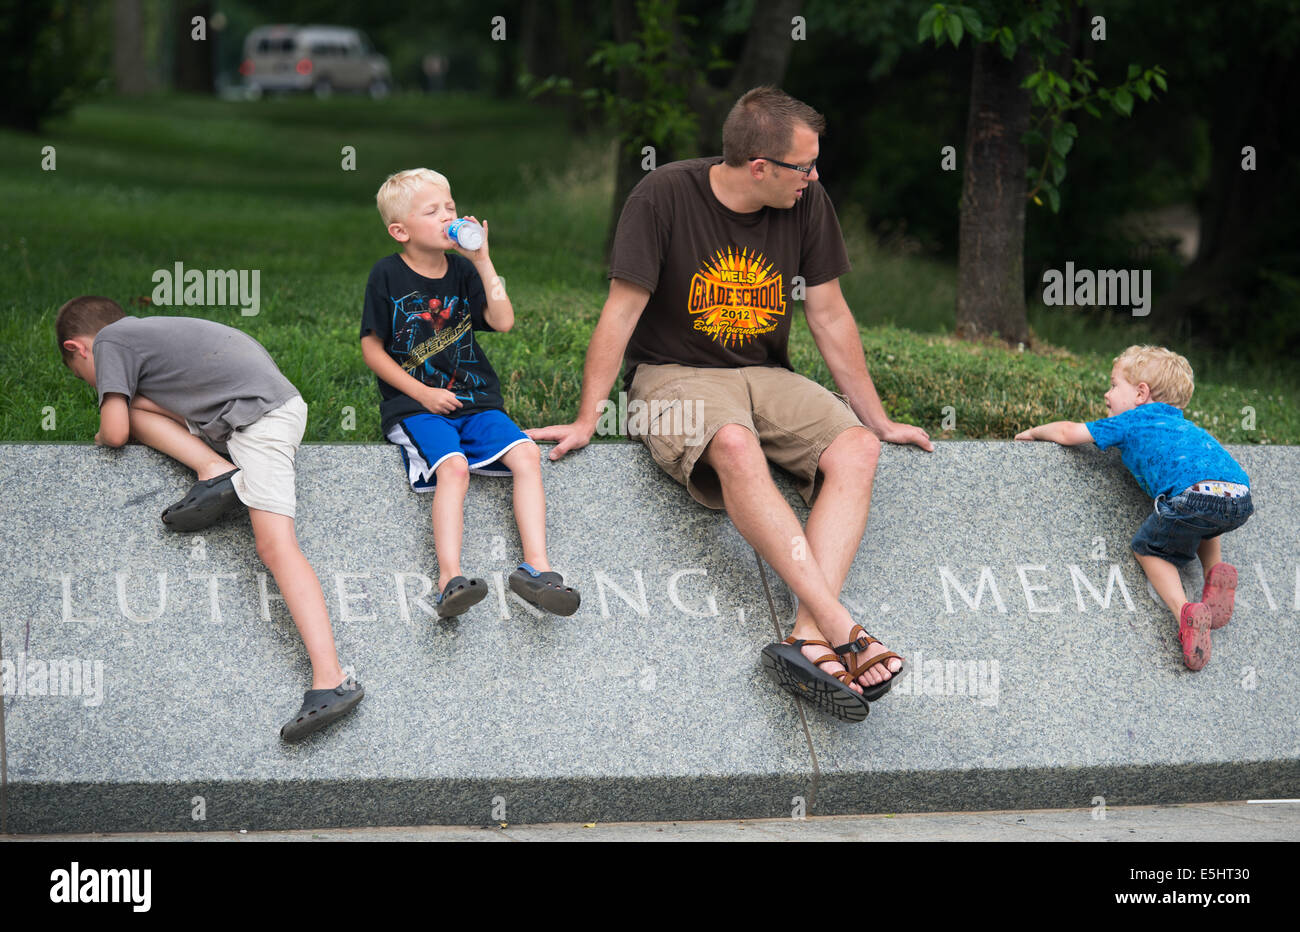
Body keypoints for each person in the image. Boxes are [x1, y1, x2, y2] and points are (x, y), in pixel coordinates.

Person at [529, 87, 933, 721]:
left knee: (855, 447)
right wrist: (590, 416)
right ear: (759, 167)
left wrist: (877, 419)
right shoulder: (662, 195)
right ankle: (842, 628)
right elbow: (621, 310)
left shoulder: (808, 202)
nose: (816, 175)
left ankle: (805, 637)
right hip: (671, 375)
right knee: (736, 444)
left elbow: (828, 315)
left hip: (764, 374)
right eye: (804, 165)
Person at [55, 296, 363, 742]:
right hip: (242, 414)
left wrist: (101, 432)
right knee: (138, 406)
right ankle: (215, 471)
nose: (95, 384)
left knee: (276, 546)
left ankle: (331, 678)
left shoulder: (111, 342)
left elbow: (116, 429)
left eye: (84, 377)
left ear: (78, 348)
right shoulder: (146, 335)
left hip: (260, 420)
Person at [360, 168, 580, 619]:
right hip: (418, 407)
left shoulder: (462, 270)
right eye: (432, 211)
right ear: (400, 230)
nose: (448, 217)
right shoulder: (387, 275)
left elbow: (502, 320)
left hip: (477, 401)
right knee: (454, 468)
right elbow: (372, 348)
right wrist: (421, 393)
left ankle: (536, 569)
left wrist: (482, 260)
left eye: (451, 208)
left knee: (525, 457)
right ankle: (450, 580)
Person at [1016, 344, 1253, 670]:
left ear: (1141, 393)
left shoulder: (1130, 421)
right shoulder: (1186, 426)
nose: (1106, 394)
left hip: (1193, 494)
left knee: (1148, 548)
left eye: (1114, 385)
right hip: (1238, 495)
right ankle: (1216, 573)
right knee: (1207, 518)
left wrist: (1031, 431)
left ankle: (1185, 612)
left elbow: (1068, 432)